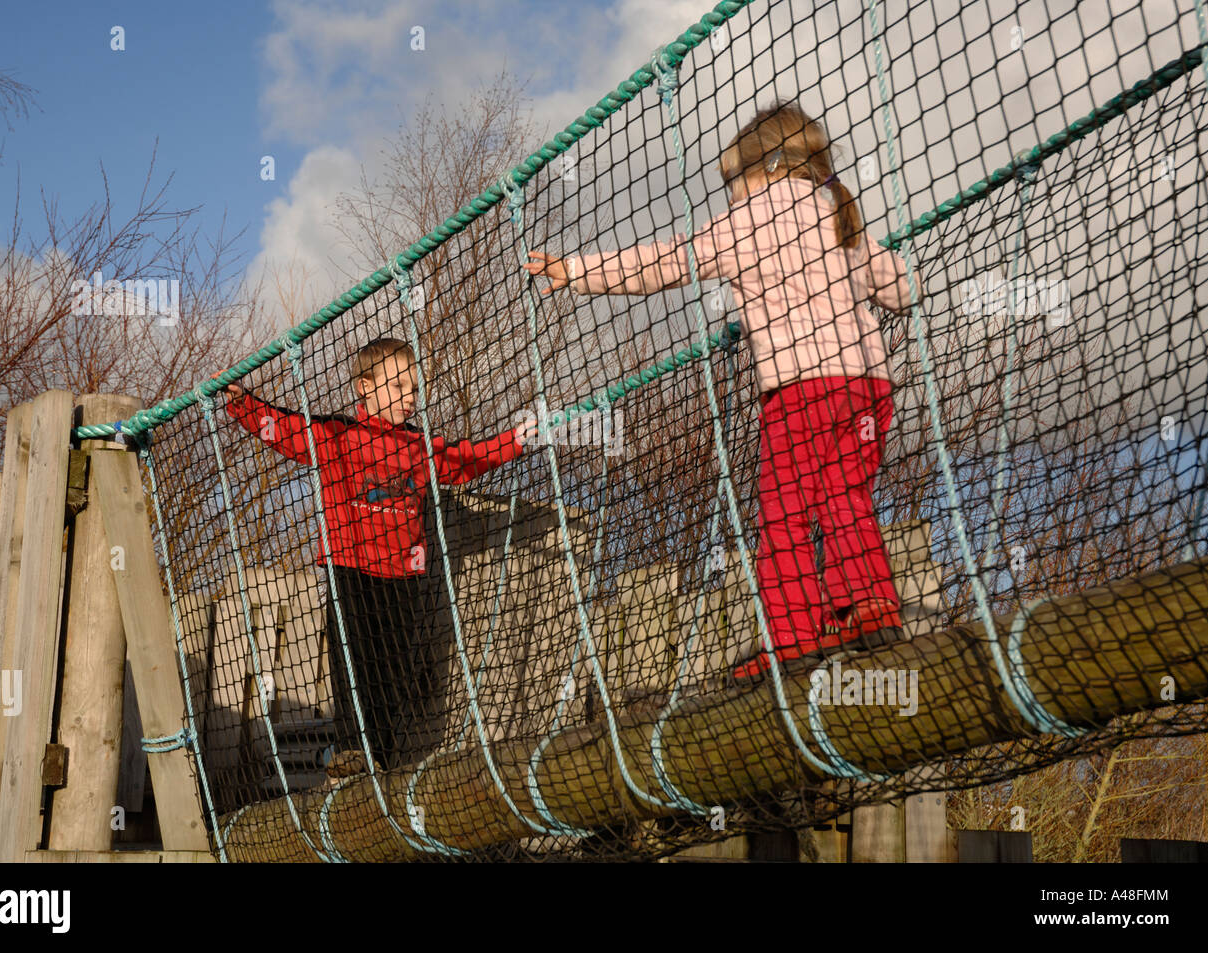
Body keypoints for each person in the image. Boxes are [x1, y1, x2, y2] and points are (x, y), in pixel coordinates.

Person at [524, 100, 919, 679]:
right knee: (845, 498)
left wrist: (575, 271)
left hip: (799, 389)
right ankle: (872, 607)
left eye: (733, 181)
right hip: (868, 388)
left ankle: (795, 639)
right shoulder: (841, 217)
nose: (731, 195)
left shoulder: (747, 220)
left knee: (783, 512)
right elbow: (902, 292)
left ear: (767, 170)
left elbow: (663, 263)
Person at [217, 337, 532, 769]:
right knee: (358, 668)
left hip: (406, 578)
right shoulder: (336, 434)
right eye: (400, 386)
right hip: (353, 571)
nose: (410, 397)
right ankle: (351, 753)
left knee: (398, 676)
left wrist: (516, 439)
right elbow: (284, 429)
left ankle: (388, 763)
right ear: (365, 386)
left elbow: (466, 461)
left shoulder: (419, 445)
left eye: (414, 388)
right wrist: (242, 404)